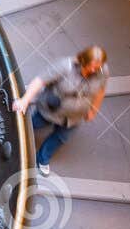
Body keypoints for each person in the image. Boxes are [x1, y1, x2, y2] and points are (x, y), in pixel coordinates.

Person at [12, 46, 108, 174]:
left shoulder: (102, 71)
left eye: (97, 67)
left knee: (61, 137)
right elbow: (40, 81)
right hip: (51, 111)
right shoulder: (65, 66)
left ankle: (42, 158)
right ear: (83, 60)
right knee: (34, 124)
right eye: (91, 66)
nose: (93, 70)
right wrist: (25, 100)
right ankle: (14, 139)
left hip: (75, 117)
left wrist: (94, 109)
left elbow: (100, 90)